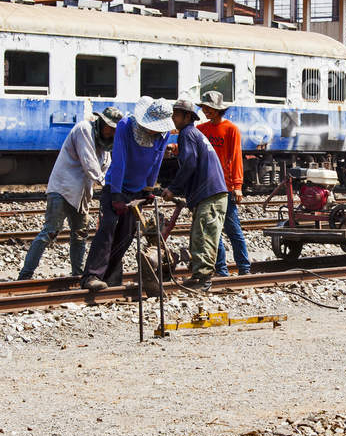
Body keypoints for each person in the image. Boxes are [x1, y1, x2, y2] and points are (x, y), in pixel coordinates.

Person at [18, 106, 123, 280]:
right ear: (102, 122)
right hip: (63, 189)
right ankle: (25, 275)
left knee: (80, 235)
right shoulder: (84, 129)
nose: (111, 133)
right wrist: (106, 184)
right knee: (50, 232)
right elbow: (89, 163)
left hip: (81, 195)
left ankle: (77, 275)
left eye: (114, 130)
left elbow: (107, 166)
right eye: (110, 128)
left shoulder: (105, 146)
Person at [82, 97, 174, 292]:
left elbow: (156, 161)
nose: (153, 130)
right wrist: (116, 194)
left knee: (126, 235)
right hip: (117, 186)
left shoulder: (163, 135)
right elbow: (120, 159)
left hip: (138, 190)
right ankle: (92, 275)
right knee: (107, 229)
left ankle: (111, 278)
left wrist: (149, 189)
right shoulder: (125, 125)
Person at [166, 98, 231, 291]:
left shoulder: (187, 134)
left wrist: (173, 188)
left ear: (187, 116)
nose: (173, 117)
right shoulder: (194, 133)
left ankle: (204, 280)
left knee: (203, 236)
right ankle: (198, 276)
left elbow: (190, 164)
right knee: (199, 235)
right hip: (210, 193)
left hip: (210, 194)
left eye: (176, 114)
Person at [196, 90, 250, 277]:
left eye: (209, 108)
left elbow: (236, 158)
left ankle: (244, 268)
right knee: (214, 231)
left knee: (233, 230)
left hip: (226, 187)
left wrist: (238, 185)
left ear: (219, 110)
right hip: (209, 187)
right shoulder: (202, 129)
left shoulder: (231, 129)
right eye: (204, 107)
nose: (205, 110)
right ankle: (221, 270)